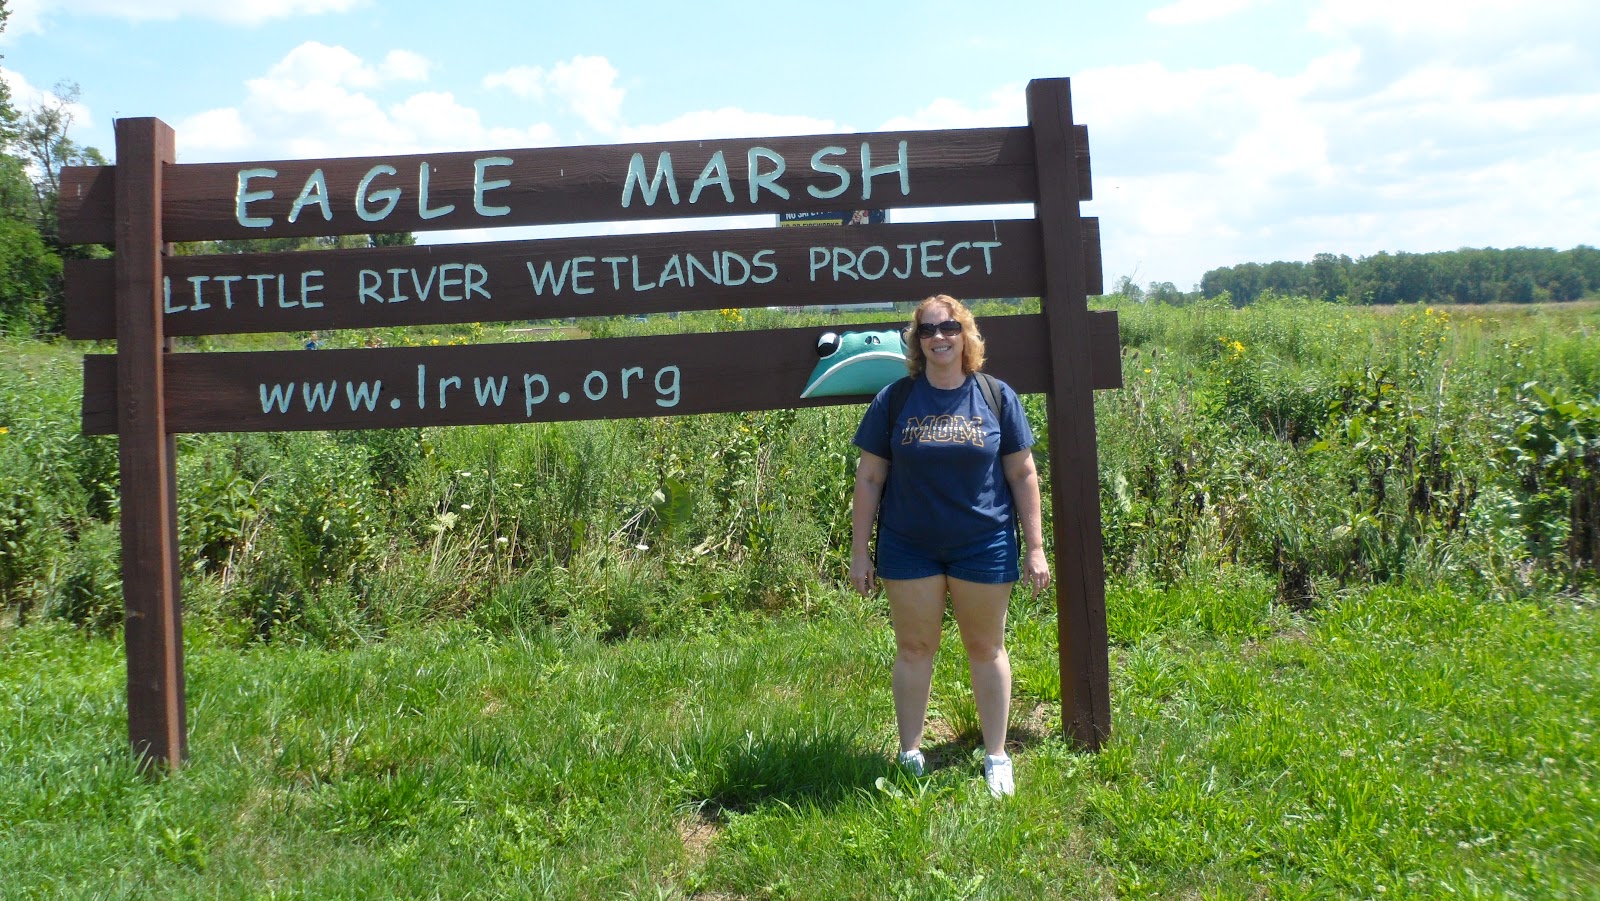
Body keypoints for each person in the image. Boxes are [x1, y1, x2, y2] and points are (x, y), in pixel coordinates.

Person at [849, 295, 1049, 798]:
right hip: (909, 546)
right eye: (928, 329)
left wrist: (1036, 547)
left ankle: (997, 755)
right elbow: (870, 477)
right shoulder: (895, 400)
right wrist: (858, 552)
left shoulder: (996, 395)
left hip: (983, 543)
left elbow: (1023, 472)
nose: (940, 336)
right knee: (915, 648)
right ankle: (910, 753)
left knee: (986, 647)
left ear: (967, 334)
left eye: (950, 327)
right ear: (916, 341)